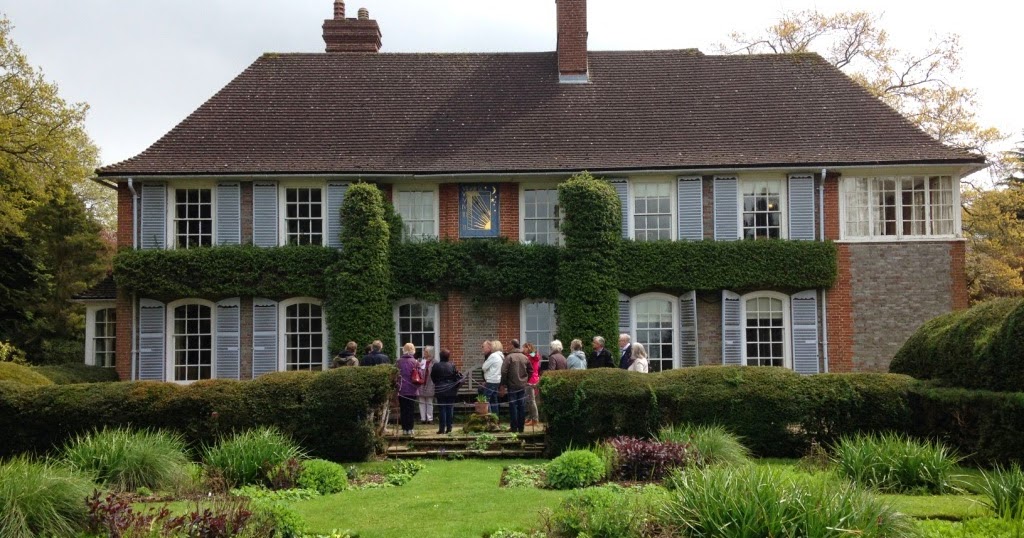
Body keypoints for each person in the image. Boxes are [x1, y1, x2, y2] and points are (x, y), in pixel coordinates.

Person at [501, 339, 533, 433]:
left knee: (513, 406)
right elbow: (531, 371)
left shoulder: (509, 357)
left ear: (512, 345)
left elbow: (503, 371)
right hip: (522, 386)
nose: (508, 346)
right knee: (521, 406)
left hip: (512, 386)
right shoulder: (525, 357)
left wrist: (504, 383)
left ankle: (514, 427)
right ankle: (521, 428)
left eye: (509, 344)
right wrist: (526, 379)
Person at [430, 348, 461, 434]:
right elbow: (456, 378)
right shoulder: (452, 365)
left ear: (440, 356)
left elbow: (433, 377)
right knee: (450, 408)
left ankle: (442, 429)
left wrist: (438, 383)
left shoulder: (436, 366)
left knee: (442, 409)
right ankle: (449, 428)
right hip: (451, 389)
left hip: (440, 389)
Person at [396, 343, 420, 435]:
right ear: (413, 351)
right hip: (412, 389)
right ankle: (410, 428)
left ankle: (404, 429)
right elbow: (419, 375)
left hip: (401, 389)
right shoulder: (415, 362)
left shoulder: (398, 362)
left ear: (404, 350)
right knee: (410, 409)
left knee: (403, 409)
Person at [481, 340, 504, 415]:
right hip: (497, 380)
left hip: (491, 380)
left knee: (485, 399)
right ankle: (495, 417)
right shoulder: (501, 356)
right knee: (494, 400)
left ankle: (489, 417)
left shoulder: (493, 356)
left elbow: (484, 367)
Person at [523, 342, 542, 426]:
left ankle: (535, 419)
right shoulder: (529, 357)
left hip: (532, 380)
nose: (523, 349)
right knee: (529, 401)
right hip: (530, 379)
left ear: (528, 348)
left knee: (531, 400)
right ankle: (531, 418)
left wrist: (531, 351)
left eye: (524, 348)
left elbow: (536, 355)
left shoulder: (533, 356)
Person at [417, 346, 437, 424]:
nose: (424, 353)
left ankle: (430, 419)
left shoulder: (434, 362)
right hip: (421, 384)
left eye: (425, 352)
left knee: (429, 402)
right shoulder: (421, 361)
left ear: (429, 353)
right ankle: (423, 418)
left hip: (430, 383)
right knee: (421, 402)